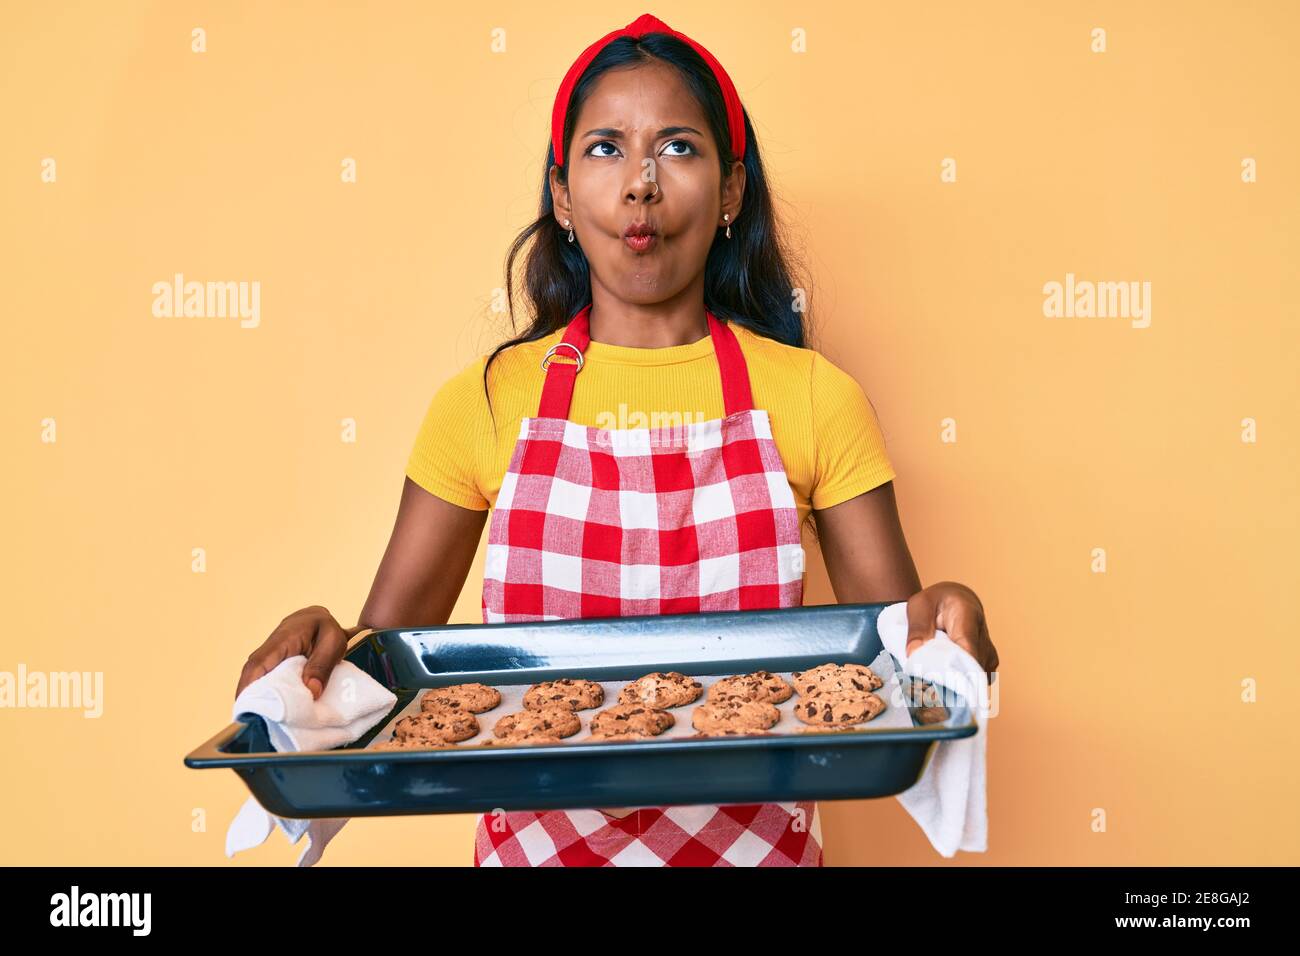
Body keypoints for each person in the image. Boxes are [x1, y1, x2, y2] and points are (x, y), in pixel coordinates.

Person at [234, 12, 999, 866]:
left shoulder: (814, 396)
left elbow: (898, 662)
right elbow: (381, 679)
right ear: (563, 196)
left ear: (732, 191)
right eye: (605, 149)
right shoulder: (485, 403)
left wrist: (952, 623)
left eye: (677, 147)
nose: (641, 183)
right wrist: (319, 659)